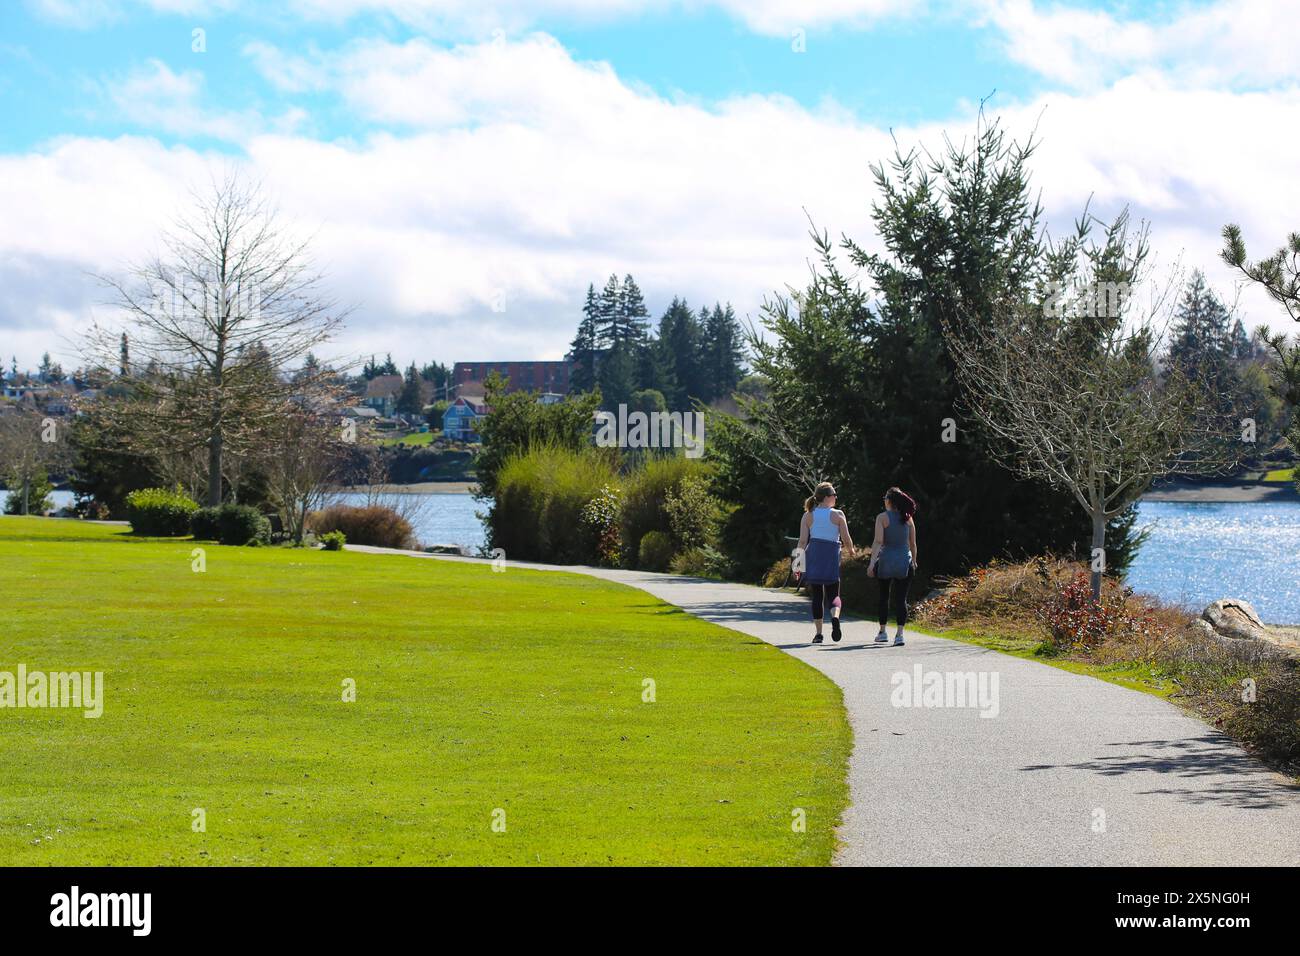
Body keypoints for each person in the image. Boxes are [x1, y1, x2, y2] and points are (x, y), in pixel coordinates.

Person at [796, 482, 855, 644]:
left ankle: (819, 634)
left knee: (817, 596)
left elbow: (802, 542)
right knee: (834, 594)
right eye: (834, 495)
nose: (836, 497)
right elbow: (846, 538)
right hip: (831, 556)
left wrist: (797, 565)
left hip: (814, 554)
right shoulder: (838, 515)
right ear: (827, 497)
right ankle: (835, 617)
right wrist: (851, 551)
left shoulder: (808, 515)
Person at [867, 487, 918, 646]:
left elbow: (878, 541)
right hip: (904, 561)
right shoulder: (908, 519)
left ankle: (882, 632)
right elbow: (913, 544)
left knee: (884, 597)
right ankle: (900, 635)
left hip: (886, 561)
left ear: (889, 501)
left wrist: (871, 563)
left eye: (884, 498)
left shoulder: (882, 518)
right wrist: (914, 560)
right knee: (901, 599)